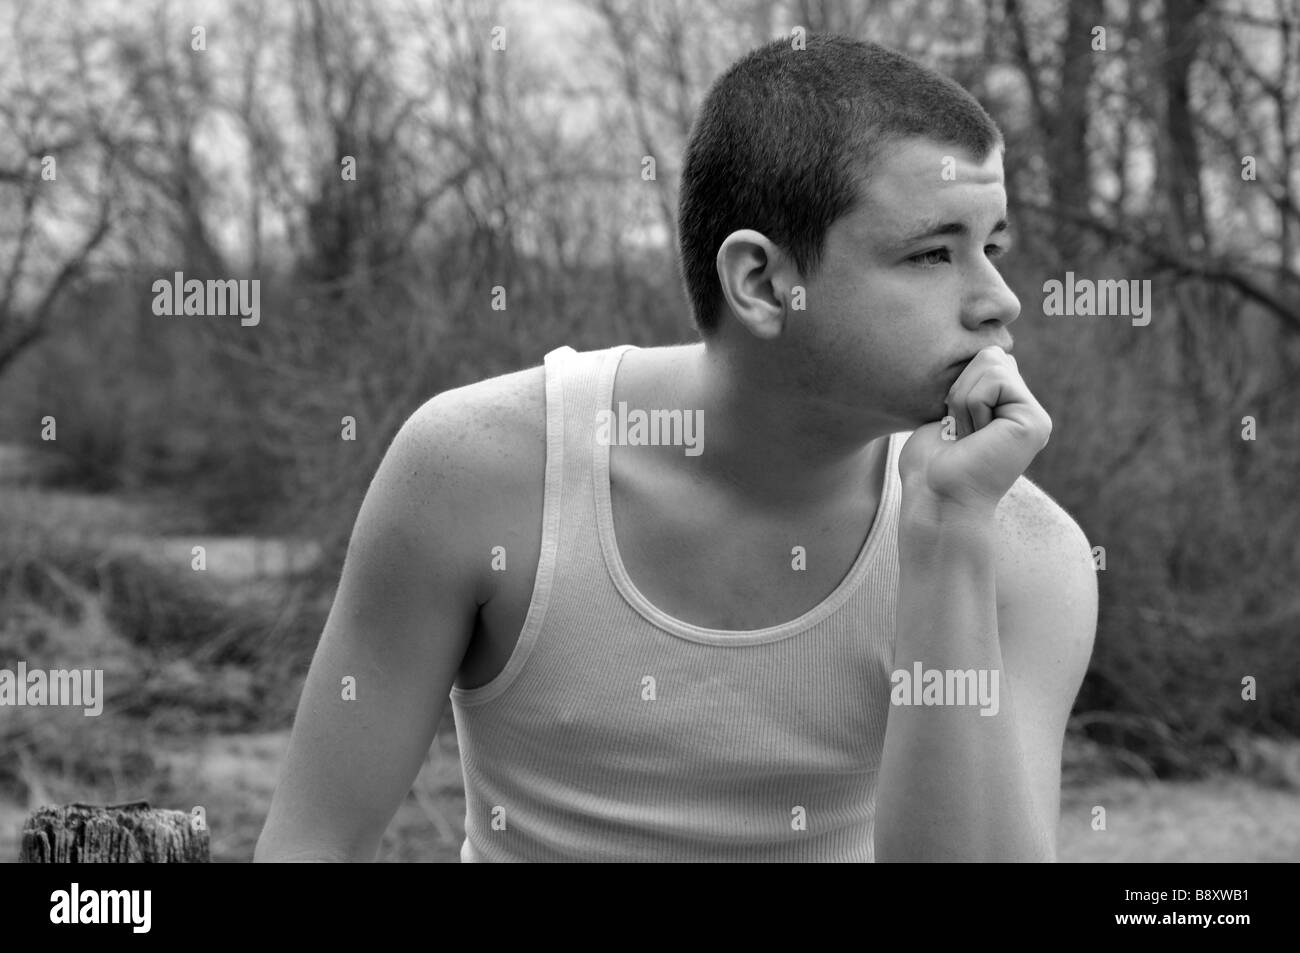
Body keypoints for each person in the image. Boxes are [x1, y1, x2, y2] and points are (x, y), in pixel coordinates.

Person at [255, 33, 1097, 863]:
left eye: (992, 248)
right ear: (764, 284)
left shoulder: (1020, 551)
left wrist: (948, 534)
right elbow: (313, 843)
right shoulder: (476, 469)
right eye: (931, 254)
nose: (1000, 301)